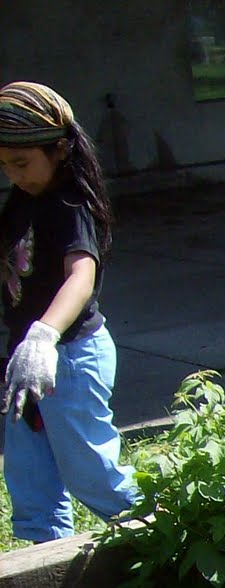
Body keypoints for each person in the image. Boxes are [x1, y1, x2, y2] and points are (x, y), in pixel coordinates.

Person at [0, 81, 137, 543]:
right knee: (31, 484)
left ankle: (163, 548)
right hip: (23, 364)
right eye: (3, 165)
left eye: (21, 163)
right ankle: (47, 575)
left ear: (59, 149)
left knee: (93, 477)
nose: (13, 174)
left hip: (70, 358)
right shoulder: (24, 198)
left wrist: (43, 338)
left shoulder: (70, 204)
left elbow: (80, 276)